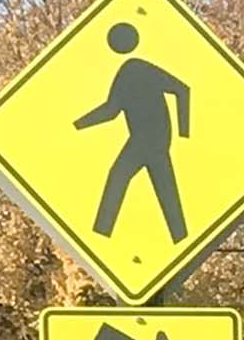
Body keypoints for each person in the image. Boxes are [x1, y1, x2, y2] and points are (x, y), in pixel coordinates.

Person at [73, 23, 192, 241]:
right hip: (149, 140)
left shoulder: (135, 69)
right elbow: (111, 110)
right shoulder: (129, 71)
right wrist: (78, 125)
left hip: (149, 139)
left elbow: (183, 90)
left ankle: (101, 234)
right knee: (164, 190)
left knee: (119, 176)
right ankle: (180, 237)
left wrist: (185, 133)